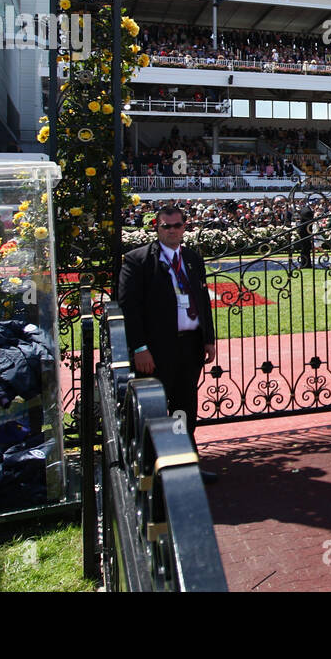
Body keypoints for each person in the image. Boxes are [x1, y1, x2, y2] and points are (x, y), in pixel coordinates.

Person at [117, 205, 218, 483]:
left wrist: (208, 338)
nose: (172, 231)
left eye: (177, 225)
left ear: (185, 227)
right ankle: (149, 469)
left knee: (184, 409)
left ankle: (185, 463)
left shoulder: (192, 258)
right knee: (153, 410)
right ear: (157, 227)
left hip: (190, 346)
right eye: (166, 226)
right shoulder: (138, 260)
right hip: (156, 349)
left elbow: (202, 300)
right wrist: (139, 347)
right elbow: (129, 308)